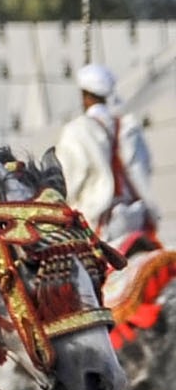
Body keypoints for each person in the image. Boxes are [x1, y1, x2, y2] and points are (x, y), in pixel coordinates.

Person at [56, 61, 156, 256]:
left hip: (96, 222)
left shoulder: (77, 131)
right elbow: (145, 169)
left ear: (84, 96)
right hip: (135, 217)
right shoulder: (129, 127)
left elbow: (67, 182)